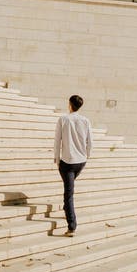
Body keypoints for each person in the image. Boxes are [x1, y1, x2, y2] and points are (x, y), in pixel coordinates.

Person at [54, 94, 92, 236]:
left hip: (67, 162)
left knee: (68, 193)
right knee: (69, 187)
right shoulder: (86, 120)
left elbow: (57, 141)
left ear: (70, 104)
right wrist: (87, 156)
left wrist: (57, 159)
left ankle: (72, 226)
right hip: (80, 162)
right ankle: (67, 209)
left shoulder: (63, 119)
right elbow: (90, 141)